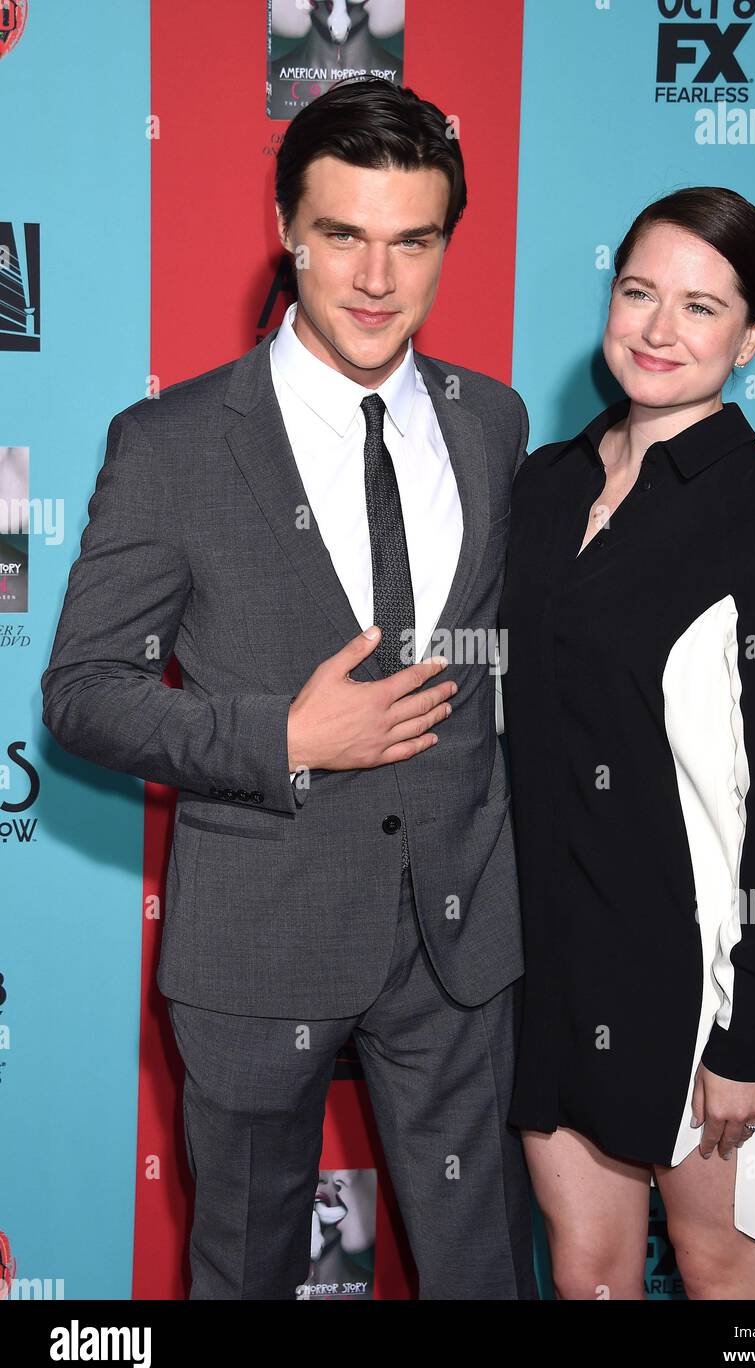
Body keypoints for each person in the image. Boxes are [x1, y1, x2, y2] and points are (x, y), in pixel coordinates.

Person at [41, 76, 536, 1301]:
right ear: (287, 227)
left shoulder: (493, 424)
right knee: (244, 1274)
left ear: (443, 245)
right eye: (343, 236)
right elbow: (83, 692)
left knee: (481, 1275)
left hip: (458, 947)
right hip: (258, 949)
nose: (376, 278)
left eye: (410, 240)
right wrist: (287, 734)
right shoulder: (171, 444)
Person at [500, 186, 755, 1300]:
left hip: (699, 976)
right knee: (588, 1273)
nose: (656, 330)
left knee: (723, 1267)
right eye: (637, 292)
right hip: (547, 956)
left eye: (700, 306)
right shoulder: (542, 490)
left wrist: (746, 1036)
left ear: (752, 334)